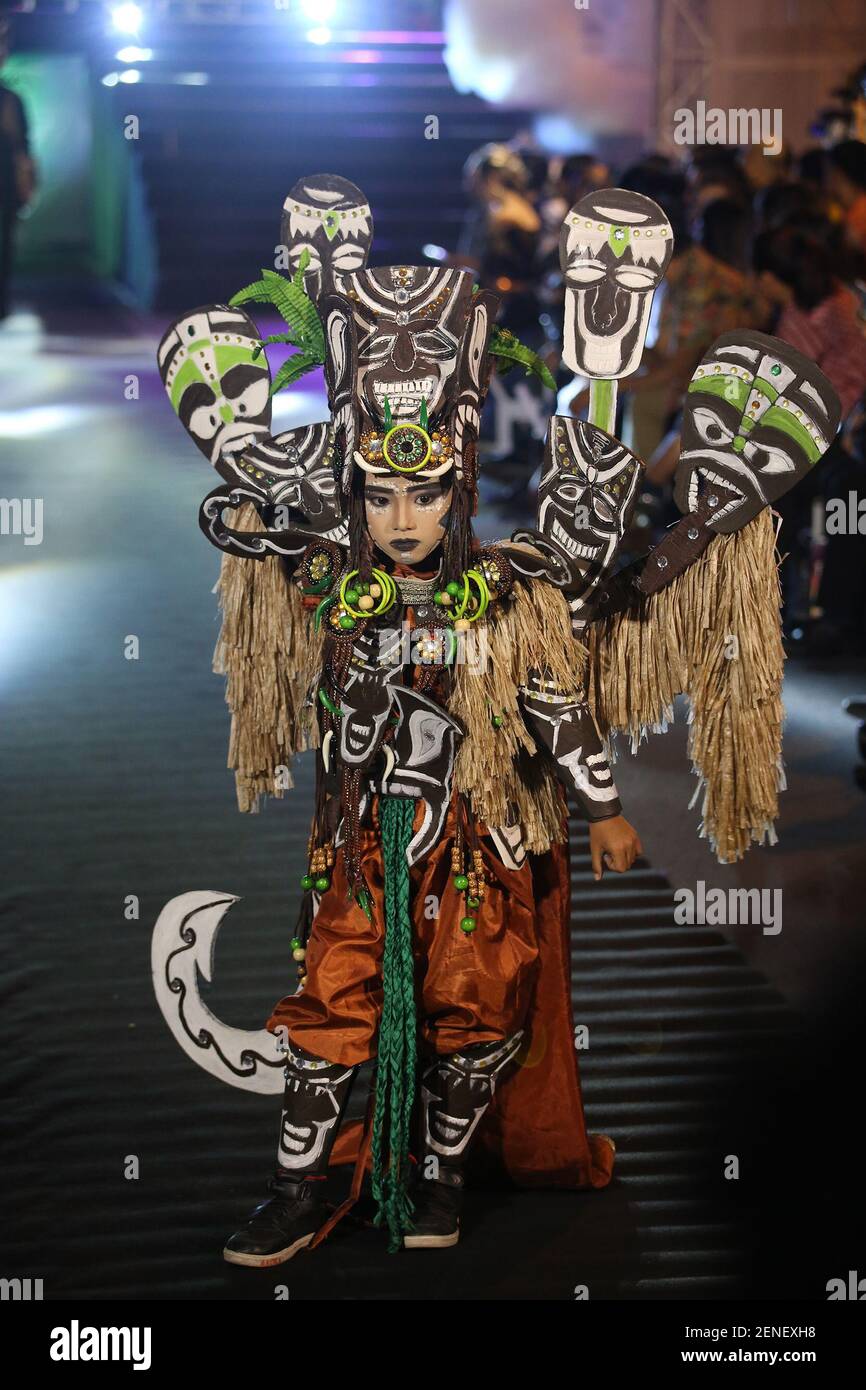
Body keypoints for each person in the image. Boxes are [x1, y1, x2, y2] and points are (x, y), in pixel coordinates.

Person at [0, 19, 34, 322]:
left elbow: (22, 149)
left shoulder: (11, 100)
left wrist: (25, 186)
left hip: (5, 185)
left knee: (4, 246)